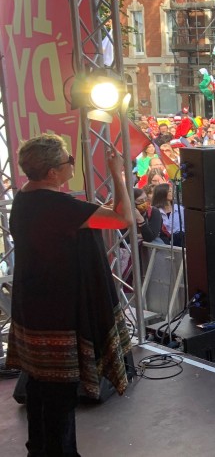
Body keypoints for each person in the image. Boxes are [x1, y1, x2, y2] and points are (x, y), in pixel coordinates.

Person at [8, 135, 133, 456]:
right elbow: (123, 217)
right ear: (51, 173)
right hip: (59, 315)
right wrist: (117, 172)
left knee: (37, 384)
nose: (72, 166)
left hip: (31, 308)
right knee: (61, 392)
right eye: (68, 161)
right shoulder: (59, 206)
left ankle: (38, 448)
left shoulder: (24, 198)